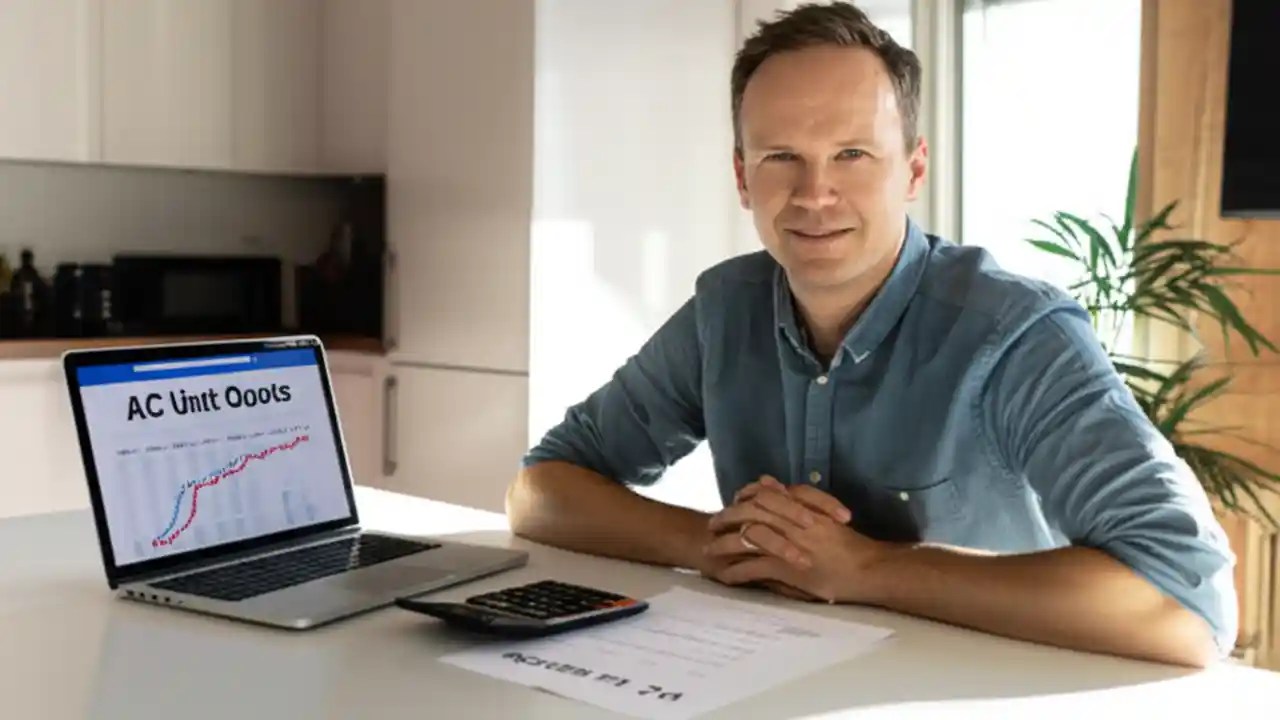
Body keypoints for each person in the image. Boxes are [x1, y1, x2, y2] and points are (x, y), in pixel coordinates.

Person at [506, 1, 1236, 668]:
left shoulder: (1014, 334)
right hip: (767, 678)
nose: (814, 193)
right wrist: (714, 544)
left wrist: (867, 569)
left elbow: (1188, 605)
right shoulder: (724, 310)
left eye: (852, 155)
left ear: (913, 169)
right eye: (780, 158)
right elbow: (542, 491)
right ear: (741, 177)